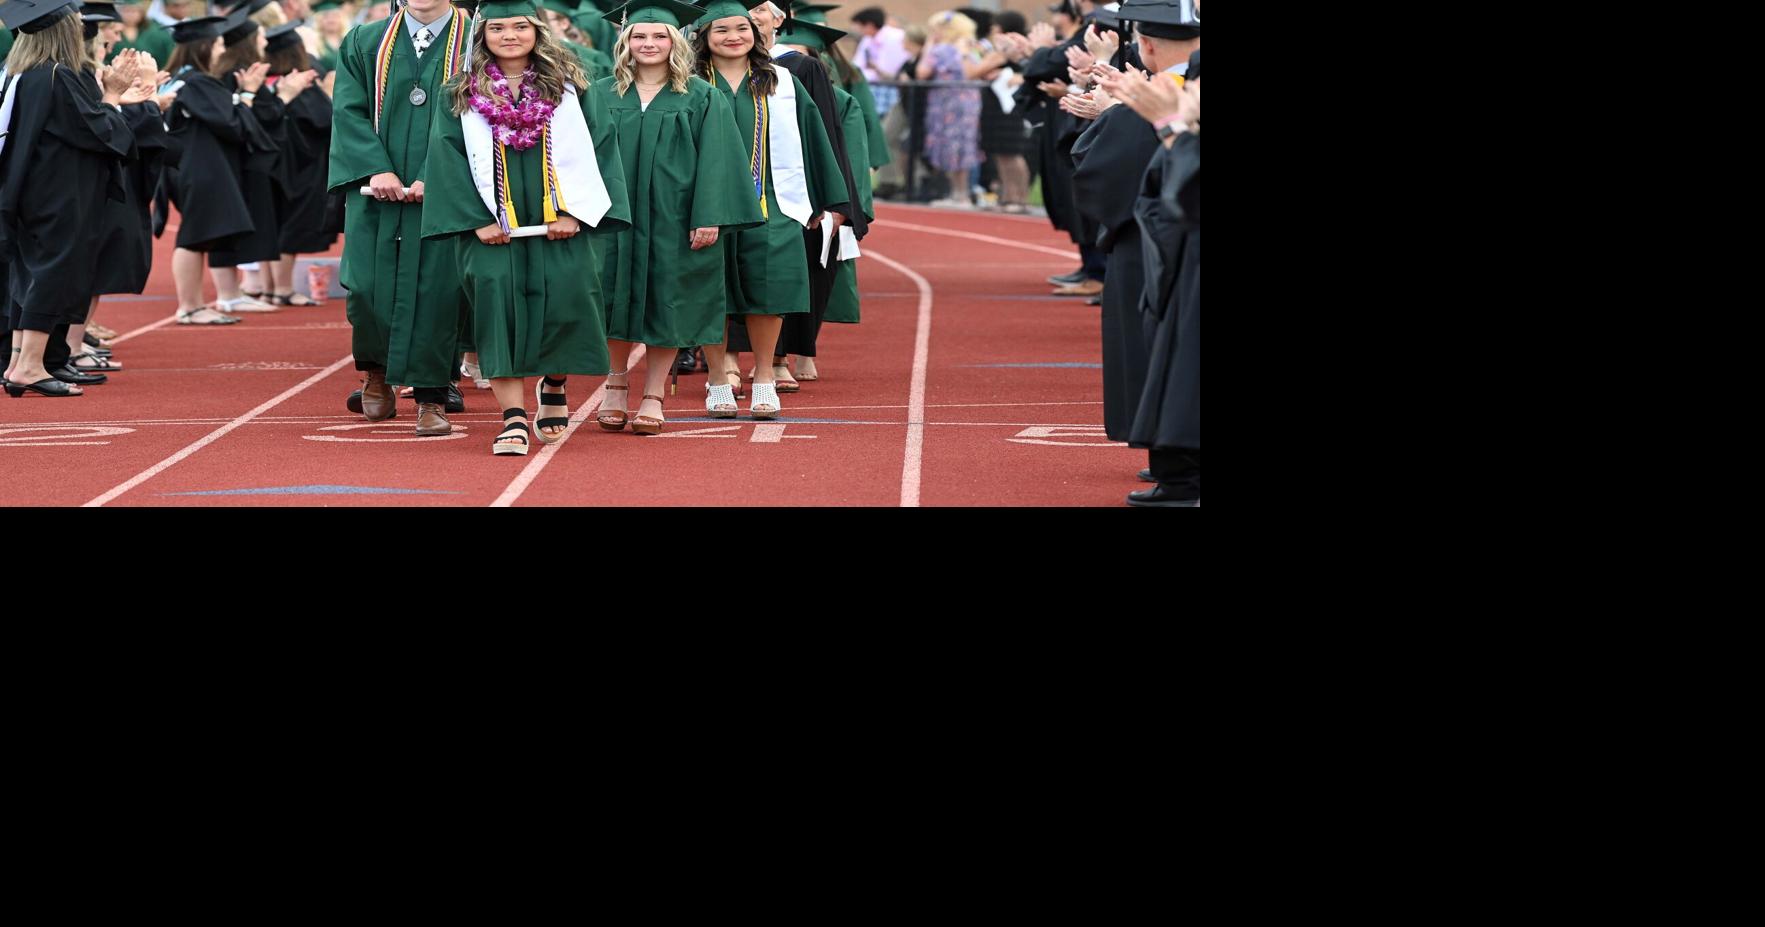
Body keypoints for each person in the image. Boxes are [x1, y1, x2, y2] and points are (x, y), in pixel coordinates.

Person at [421, 0, 630, 454]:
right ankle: (512, 418)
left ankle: (554, 382)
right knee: (497, 310)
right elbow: (445, 156)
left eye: (520, 26)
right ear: (482, 34)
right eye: (498, 28)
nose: (510, 35)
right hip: (489, 228)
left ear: (537, 31)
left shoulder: (569, 85)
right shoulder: (461, 90)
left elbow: (602, 145)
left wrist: (574, 211)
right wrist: (477, 219)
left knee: (569, 299)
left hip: (561, 219)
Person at [592, 0, 760, 433]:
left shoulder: (701, 96)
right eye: (640, 36)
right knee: (611, 295)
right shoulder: (600, 93)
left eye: (659, 36)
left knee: (670, 299)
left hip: (676, 216)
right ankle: (615, 383)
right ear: (625, 42)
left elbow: (719, 158)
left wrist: (709, 215)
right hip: (613, 216)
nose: (649, 44)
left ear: (676, 42)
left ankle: (653, 393)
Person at [693, 0, 847, 418]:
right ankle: (717, 378)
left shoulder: (780, 81)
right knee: (710, 290)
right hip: (706, 204)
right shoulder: (690, 82)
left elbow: (815, 136)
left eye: (741, 28)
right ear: (704, 36)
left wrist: (827, 198)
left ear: (755, 32)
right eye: (721, 29)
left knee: (770, 290)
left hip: (772, 202)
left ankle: (764, 376)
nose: (734, 37)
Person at [328, 0, 472, 434]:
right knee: (366, 287)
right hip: (376, 191)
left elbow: (480, 114)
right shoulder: (364, 40)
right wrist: (376, 168)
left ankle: (432, 395)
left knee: (439, 291)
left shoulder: (477, 41)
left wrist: (437, 173)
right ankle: (375, 373)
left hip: (447, 191)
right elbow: (347, 110)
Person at [0, 0, 142, 397]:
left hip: (28, 189)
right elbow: (99, 132)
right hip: (58, 193)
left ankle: (18, 362)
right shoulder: (57, 76)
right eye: (76, 22)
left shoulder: (20, 73)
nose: (82, 27)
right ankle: (29, 366)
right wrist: (113, 94)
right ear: (61, 31)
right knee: (52, 273)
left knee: (29, 273)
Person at [1101, 0, 1197, 506]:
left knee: (1180, 357)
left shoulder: (1166, 100)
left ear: (1147, 45)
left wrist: (1169, 126)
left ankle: (1182, 474)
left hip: (1180, 245)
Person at [161, 11, 281, 324]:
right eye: (216, 45)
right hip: (199, 167)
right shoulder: (198, 82)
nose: (221, 50)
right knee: (192, 237)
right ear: (202, 47)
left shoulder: (182, 78)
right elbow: (232, 124)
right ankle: (189, 307)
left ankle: (195, 305)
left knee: (198, 236)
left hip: (191, 164)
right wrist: (247, 94)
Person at [75, 1, 168, 374]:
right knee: (82, 270)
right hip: (91, 186)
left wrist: (140, 96)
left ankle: (71, 342)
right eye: (104, 40)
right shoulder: (75, 78)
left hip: (102, 184)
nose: (112, 43)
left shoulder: (84, 77)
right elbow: (111, 132)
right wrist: (146, 96)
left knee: (90, 271)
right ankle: (64, 346)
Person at [262, 20, 332, 304]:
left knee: (271, 224)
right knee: (289, 226)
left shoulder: (266, 82)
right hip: (301, 166)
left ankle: (268, 288)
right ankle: (282, 289)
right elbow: (325, 120)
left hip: (271, 161)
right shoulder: (302, 84)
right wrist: (328, 94)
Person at [914, 10, 979, 208]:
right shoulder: (969, 47)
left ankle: (959, 194)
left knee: (950, 146)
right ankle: (960, 193)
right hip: (967, 103)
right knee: (961, 146)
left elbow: (922, 72)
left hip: (947, 103)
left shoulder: (941, 49)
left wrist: (928, 46)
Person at [106, 0, 173, 64]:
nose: (130, 15)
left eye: (134, 11)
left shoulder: (156, 32)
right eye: (126, 11)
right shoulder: (110, 31)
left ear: (141, 12)